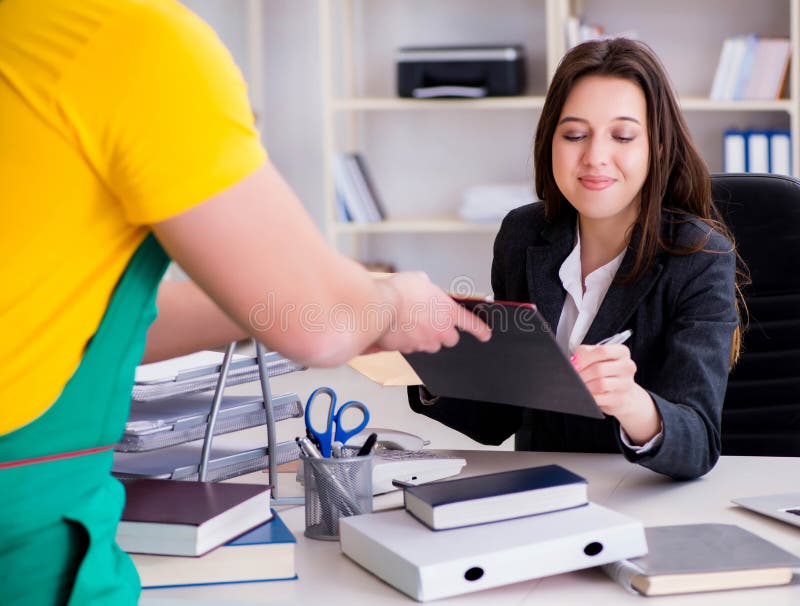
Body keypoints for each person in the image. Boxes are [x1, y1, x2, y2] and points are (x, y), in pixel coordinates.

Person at [0, 1, 490, 605]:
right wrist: (392, 298)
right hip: (25, 545)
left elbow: (72, 323)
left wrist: (261, 298)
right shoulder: (131, 40)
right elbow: (324, 327)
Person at [409, 38, 744, 482]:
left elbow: (699, 443)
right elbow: (497, 419)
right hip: (539, 494)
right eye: (574, 135)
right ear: (551, 142)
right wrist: (433, 364)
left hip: (641, 497)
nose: (594, 157)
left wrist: (632, 403)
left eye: (622, 136)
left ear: (657, 148)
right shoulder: (522, 235)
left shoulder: (699, 257)